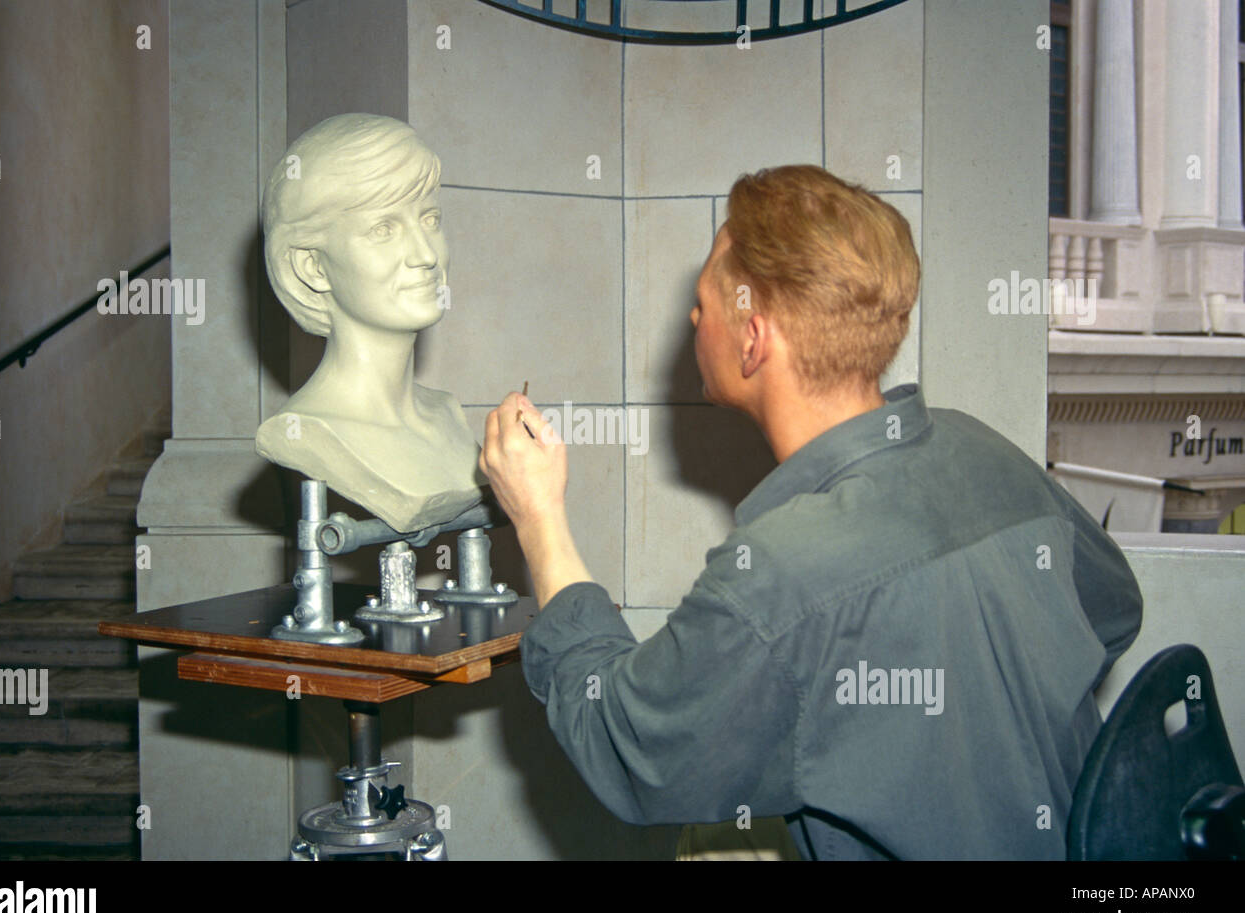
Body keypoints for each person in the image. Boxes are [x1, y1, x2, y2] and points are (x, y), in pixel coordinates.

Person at [478, 164, 1143, 860]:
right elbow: (1114, 608)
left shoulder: (778, 574)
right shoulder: (981, 449)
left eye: (704, 301)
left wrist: (538, 515)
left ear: (753, 340)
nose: (693, 317)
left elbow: (624, 740)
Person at [258, 114, 485, 532]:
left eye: (430, 220)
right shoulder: (307, 432)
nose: (426, 254)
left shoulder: (446, 414)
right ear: (313, 267)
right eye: (384, 229)